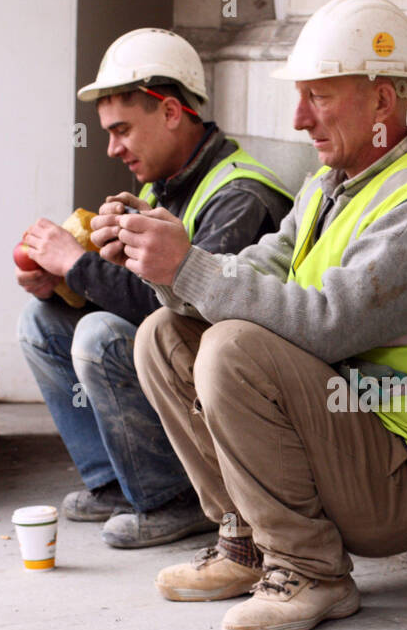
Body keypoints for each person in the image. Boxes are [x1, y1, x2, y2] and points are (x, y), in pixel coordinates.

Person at [93, 0, 407, 630]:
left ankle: (311, 571)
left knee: (230, 349)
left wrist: (188, 268)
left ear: (383, 103)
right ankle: (247, 542)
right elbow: (253, 270)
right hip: (341, 435)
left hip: (397, 480)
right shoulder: (328, 184)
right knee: (163, 335)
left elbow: (327, 323)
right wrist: (168, 261)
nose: (299, 117)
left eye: (320, 98)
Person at [16, 28, 292, 549]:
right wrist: (61, 283)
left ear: (170, 112)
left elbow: (180, 311)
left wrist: (77, 265)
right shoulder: (162, 184)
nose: (113, 148)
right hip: (170, 362)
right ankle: (119, 485)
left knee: (98, 336)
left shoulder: (239, 196)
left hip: (217, 381)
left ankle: (174, 499)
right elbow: (133, 286)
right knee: (40, 323)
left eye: (122, 130)